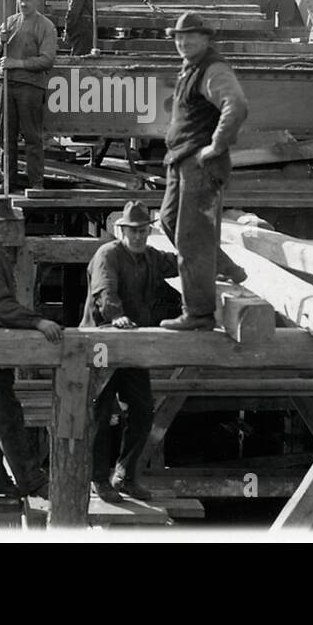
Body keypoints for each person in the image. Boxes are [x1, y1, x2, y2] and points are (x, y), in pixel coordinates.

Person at [0, 194, 63, 500]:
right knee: (6, 415)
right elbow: (1, 309)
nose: (5, 229)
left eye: (8, 223)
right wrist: (38, 322)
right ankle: (31, 480)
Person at [81, 200, 180, 502]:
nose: (138, 237)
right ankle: (98, 478)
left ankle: (124, 474)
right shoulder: (107, 255)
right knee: (100, 414)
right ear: (121, 231)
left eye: (142, 231)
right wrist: (115, 315)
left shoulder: (150, 257)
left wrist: (207, 259)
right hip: (103, 342)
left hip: (133, 345)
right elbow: (104, 291)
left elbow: (178, 263)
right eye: (132, 231)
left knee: (142, 409)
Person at [159, 12, 249, 331]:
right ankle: (226, 267)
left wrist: (216, 145)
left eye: (191, 37)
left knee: (192, 238)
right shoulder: (192, 67)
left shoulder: (213, 68)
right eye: (179, 38)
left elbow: (235, 105)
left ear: (206, 39)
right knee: (170, 222)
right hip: (181, 160)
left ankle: (198, 314)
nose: (183, 42)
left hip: (200, 164)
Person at [0, 0, 58, 192]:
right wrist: (0, 42)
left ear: (37, 0)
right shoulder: (9, 23)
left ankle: (36, 183)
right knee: (5, 136)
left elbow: (47, 60)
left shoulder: (46, 27)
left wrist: (17, 63)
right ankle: (7, 182)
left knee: (32, 136)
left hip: (30, 87)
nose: (24, 3)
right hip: (6, 85)